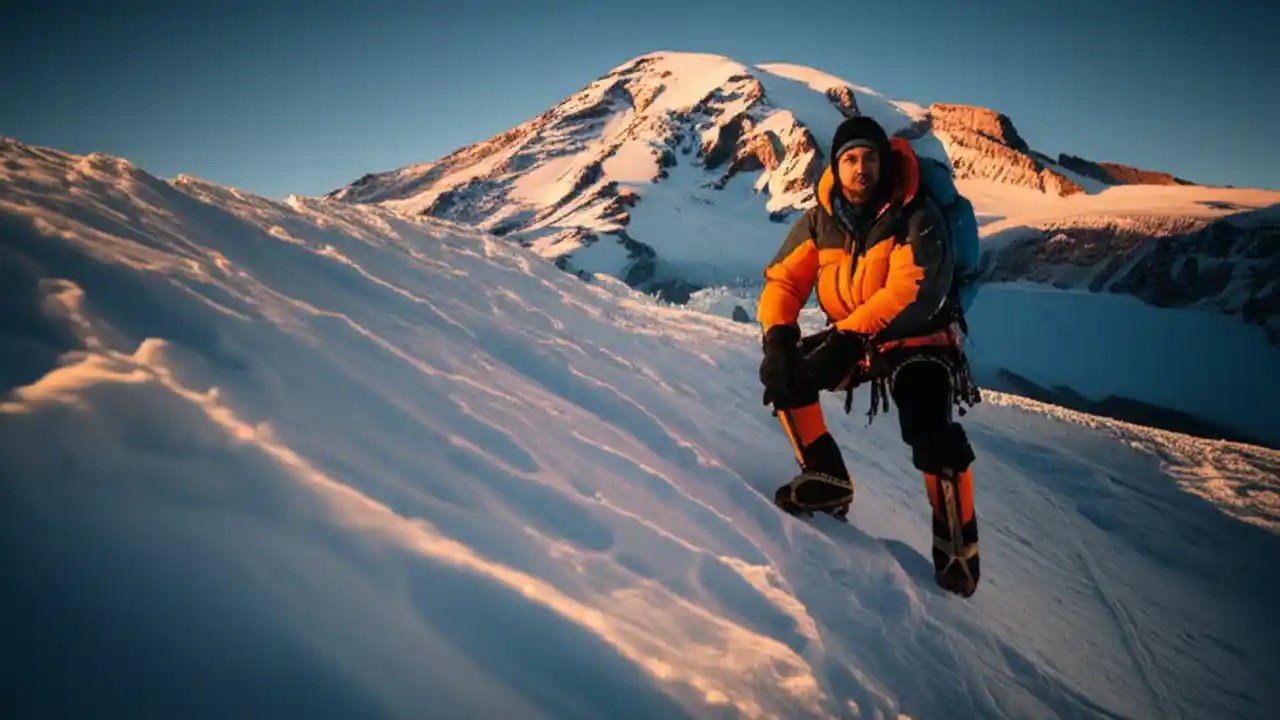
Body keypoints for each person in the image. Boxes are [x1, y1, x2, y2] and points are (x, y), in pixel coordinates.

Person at [756, 115, 981, 597]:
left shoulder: (915, 214)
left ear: (885, 162)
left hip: (920, 339)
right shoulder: (823, 218)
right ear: (836, 166)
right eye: (850, 159)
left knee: (929, 431)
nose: (860, 169)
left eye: (870, 159)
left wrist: (848, 338)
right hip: (859, 338)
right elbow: (784, 279)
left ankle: (958, 548)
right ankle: (827, 476)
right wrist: (777, 335)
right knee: (784, 373)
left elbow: (912, 288)